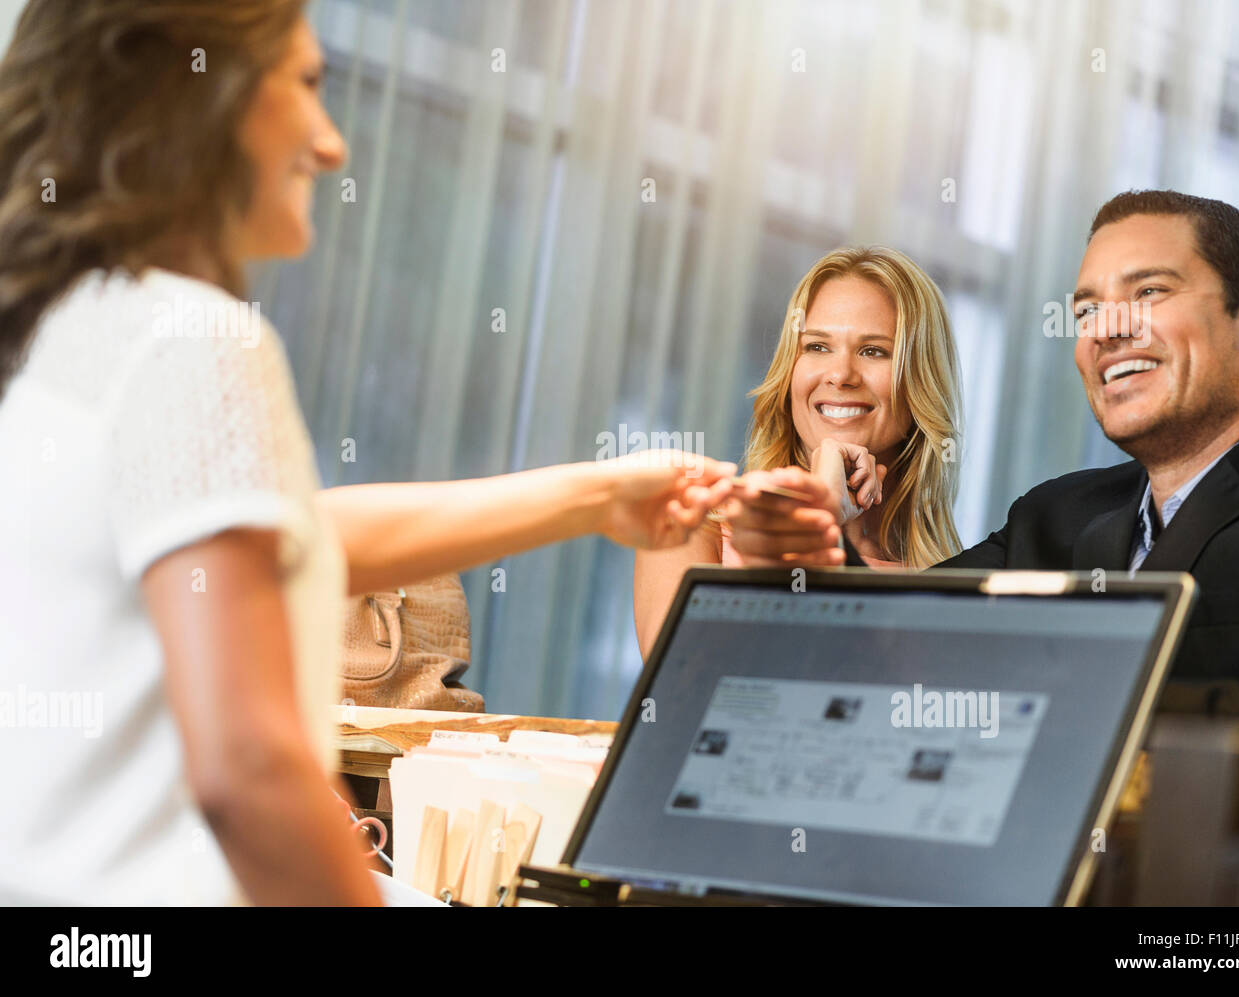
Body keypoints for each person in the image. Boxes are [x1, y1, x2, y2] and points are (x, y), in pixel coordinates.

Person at [0, 0, 733, 905]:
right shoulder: (194, 340)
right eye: (307, 85)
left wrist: (601, 497)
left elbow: (300, 539)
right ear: (190, 92)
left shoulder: (67, 332)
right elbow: (248, 767)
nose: (332, 142)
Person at [942, 190, 1239, 723]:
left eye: (1149, 291)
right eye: (1087, 310)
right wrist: (813, 537)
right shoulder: (1049, 517)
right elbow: (887, 643)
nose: (1105, 330)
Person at [633, 246, 963, 657]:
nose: (840, 375)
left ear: (922, 384)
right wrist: (819, 512)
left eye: (874, 351)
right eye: (818, 347)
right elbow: (682, 684)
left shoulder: (950, 581)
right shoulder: (691, 522)